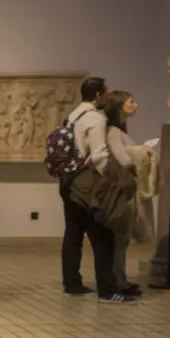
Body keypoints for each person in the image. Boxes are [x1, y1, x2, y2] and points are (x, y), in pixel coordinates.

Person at [61, 77, 135, 303]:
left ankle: (72, 282)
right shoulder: (95, 118)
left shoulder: (73, 115)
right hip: (87, 184)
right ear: (97, 95)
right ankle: (108, 289)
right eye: (105, 92)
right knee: (103, 235)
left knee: (73, 234)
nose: (106, 96)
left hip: (68, 181)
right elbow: (99, 155)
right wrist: (111, 180)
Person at [103, 90, 144, 296]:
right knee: (119, 236)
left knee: (122, 237)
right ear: (120, 106)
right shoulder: (113, 132)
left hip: (124, 187)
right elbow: (124, 158)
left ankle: (120, 278)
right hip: (120, 189)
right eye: (131, 101)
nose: (135, 105)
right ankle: (118, 281)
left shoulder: (118, 131)